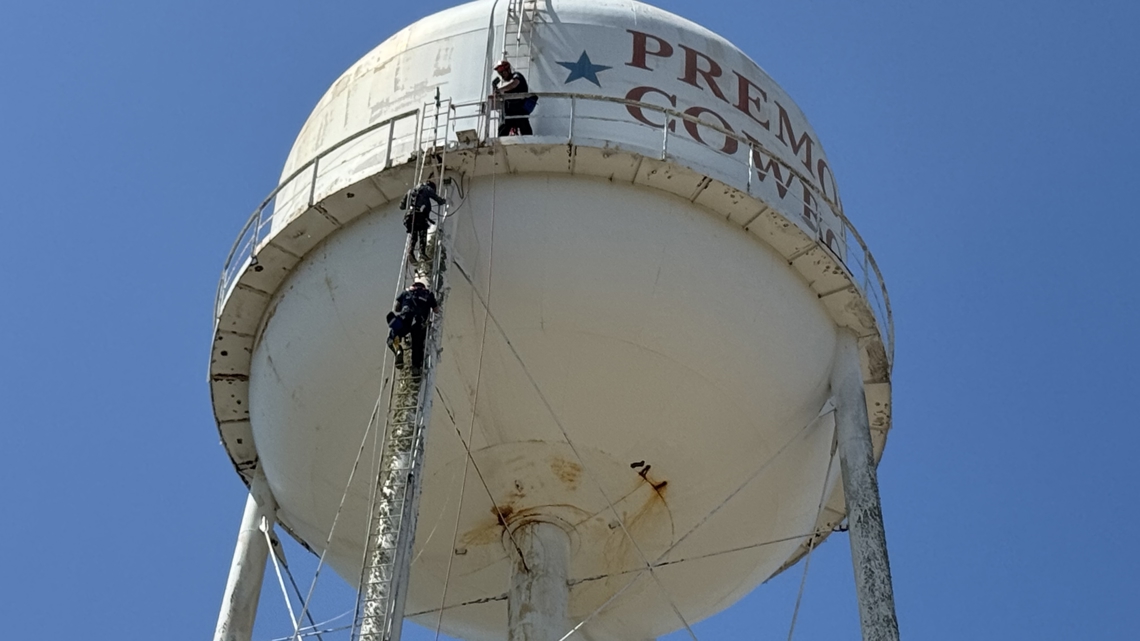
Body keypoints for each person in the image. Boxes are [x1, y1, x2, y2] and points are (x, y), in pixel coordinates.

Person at [386, 278, 439, 375]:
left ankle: (398, 348)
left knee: (393, 337)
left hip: (405, 319)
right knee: (417, 345)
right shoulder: (428, 294)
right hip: (418, 322)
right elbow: (436, 310)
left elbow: (396, 308)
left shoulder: (405, 292)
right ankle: (415, 368)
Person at [399, 180, 447, 262]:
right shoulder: (427, 188)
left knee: (414, 234)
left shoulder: (410, 191)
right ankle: (422, 253)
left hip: (408, 216)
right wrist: (442, 201)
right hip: (418, 215)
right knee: (423, 232)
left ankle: (410, 252)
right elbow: (435, 197)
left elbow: (401, 206)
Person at [490, 59, 533, 136]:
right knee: (502, 131)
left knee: (526, 131)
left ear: (508, 70)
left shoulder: (517, 76)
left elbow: (514, 84)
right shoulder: (506, 85)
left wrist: (500, 90)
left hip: (520, 112)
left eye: (503, 72)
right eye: (500, 73)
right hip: (509, 115)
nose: (502, 75)